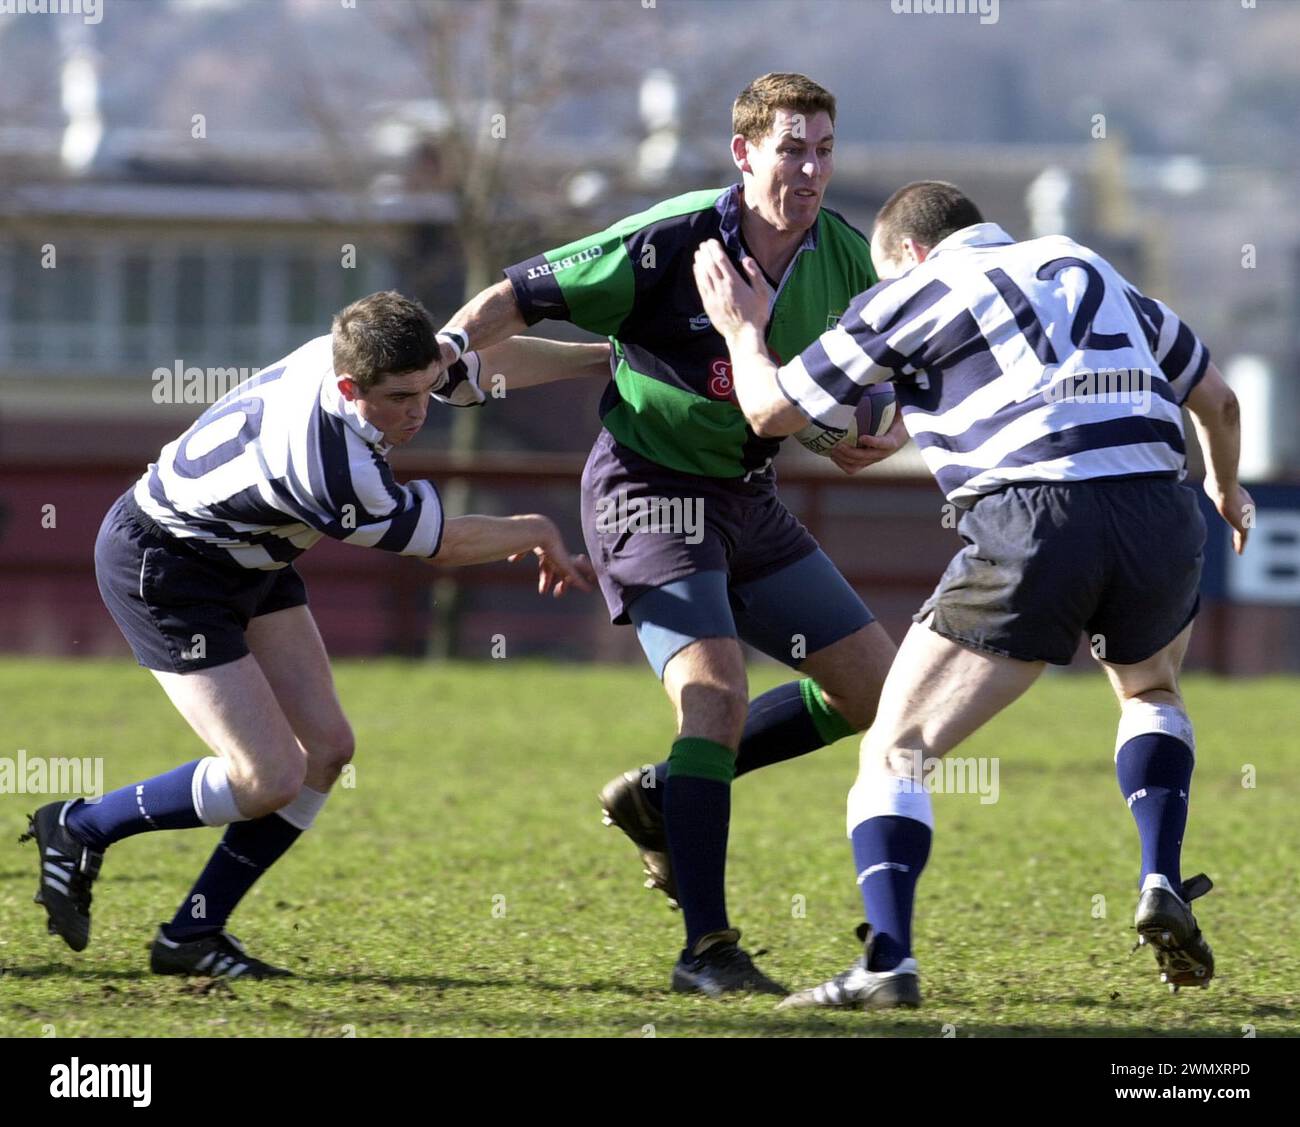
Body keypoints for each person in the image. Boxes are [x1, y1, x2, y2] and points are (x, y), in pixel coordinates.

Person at [692, 180, 1251, 1009]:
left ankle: (887, 964)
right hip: (1162, 508)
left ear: (909, 253)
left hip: (1035, 516)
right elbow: (1220, 400)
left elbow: (771, 410)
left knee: (896, 749)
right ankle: (1160, 874)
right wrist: (1226, 489)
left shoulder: (915, 291)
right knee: (1151, 691)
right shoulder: (1082, 261)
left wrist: (743, 330)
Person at [435, 73, 906, 996]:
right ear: (744, 154)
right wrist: (448, 353)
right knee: (714, 696)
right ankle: (706, 948)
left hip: (746, 497)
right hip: (645, 490)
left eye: (822, 150)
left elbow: (877, 363)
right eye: (790, 150)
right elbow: (520, 294)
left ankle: (663, 795)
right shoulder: (671, 239)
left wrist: (874, 424)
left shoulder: (846, 254)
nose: (808, 169)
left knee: (881, 697)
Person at [23, 290, 601, 979]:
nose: (418, 412)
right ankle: (82, 825)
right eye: (400, 399)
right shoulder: (333, 467)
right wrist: (535, 529)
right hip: (169, 565)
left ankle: (193, 934)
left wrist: (605, 357)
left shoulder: (379, 361)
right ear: (351, 386)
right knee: (267, 776)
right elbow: (442, 543)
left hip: (250, 547)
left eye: (425, 391)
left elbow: (480, 362)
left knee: (328, 749)